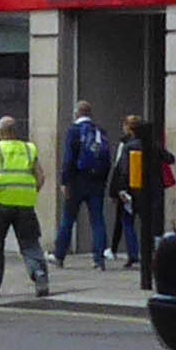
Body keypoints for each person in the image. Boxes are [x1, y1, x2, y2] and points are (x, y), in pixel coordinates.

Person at [0, 113, 49, 299]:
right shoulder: (28, 149)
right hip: (25, 204)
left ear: (0, 132)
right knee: (30, 244)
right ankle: (39, 274)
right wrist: (29, 193)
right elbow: (40, 177)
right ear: (15, 131)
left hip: (1, 203)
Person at [58, 105, 114, 266]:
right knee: (97, 219)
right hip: (96, 182)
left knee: (68, 219)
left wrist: (64, 181)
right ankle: (99, 258)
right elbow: (107, 159)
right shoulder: (99, 131)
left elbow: (69, 158)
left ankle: (60, 255)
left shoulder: (74, 131)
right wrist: (103, 181)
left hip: (76, 180)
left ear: (77, 113)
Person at [121, 114, 171, 263]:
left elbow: (124, 170)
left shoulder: (129, 146)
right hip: (155, 187)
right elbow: (170, 158)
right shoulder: (154, 145)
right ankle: (153, 252)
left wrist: (122, 189)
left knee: (136, 220)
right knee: (153, 221)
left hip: (137, 188)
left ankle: (137, 253)